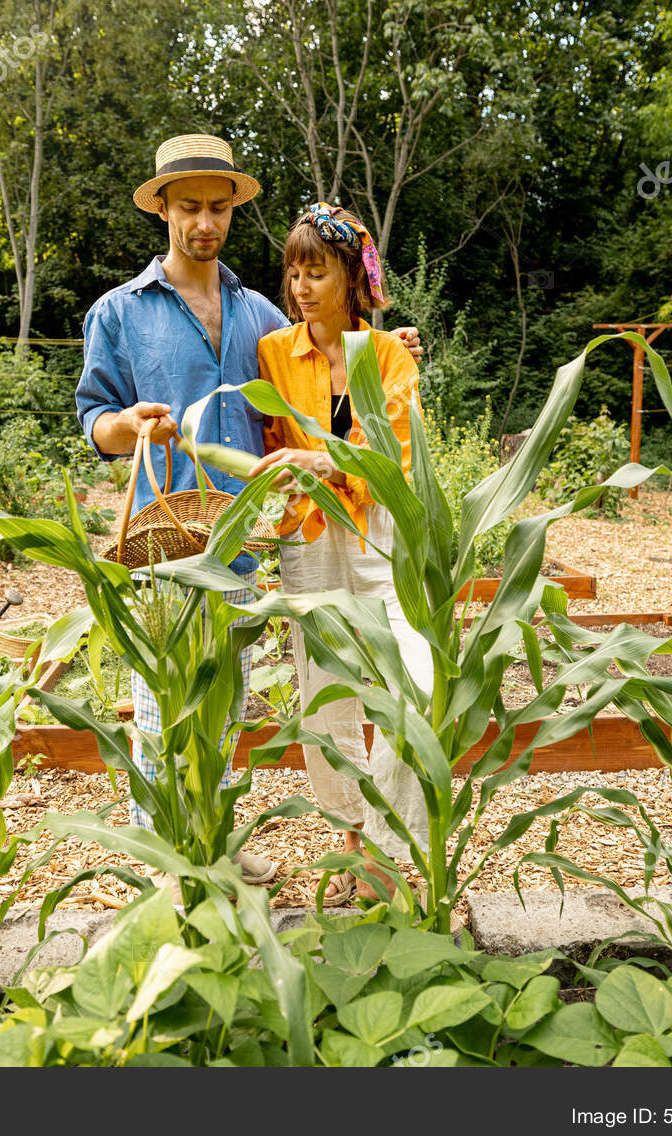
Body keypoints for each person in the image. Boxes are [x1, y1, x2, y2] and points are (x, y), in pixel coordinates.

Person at [74, 135, 421, 888]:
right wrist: (130, 424)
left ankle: (221, 845)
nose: (205, 221)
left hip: (240, 541)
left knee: (227, 705)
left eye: (219, 207)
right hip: (166, 538)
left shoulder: (256, 309)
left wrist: (384, 343)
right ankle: (167, 863)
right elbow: (93, 418)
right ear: (161, 207)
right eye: (190, 206)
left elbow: (320, 351)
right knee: (162, 708)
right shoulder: (120, 312)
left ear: (232, 209)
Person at [250, 204, 432, 906]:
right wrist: (301, 464)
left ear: (353, 277)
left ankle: (388, 841)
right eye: (293, 270)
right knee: (325, 691)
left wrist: (314, 459)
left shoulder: (387, 355)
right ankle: (351, 839)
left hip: (374, 532)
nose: (300, 285)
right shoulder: (272, 351)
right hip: (307, 534)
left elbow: (395, 453)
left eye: (315, 270)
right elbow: (266, 439)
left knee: (413, 683)